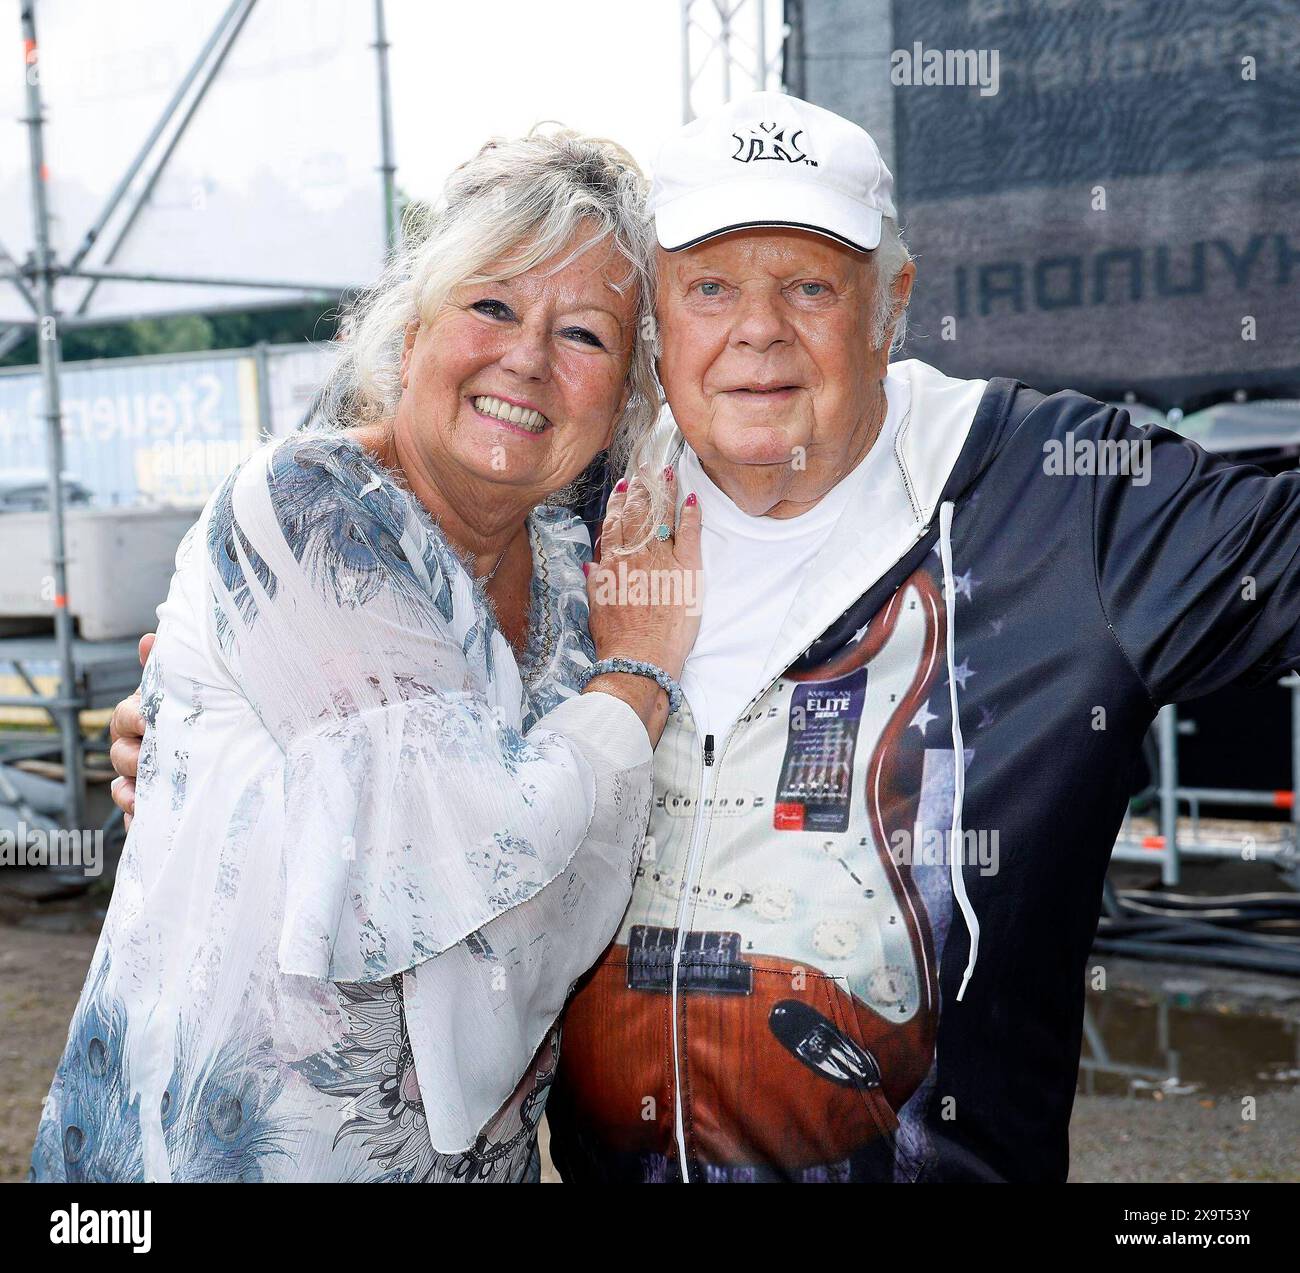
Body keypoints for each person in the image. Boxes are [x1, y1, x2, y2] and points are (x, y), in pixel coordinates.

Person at [110, 91, 1300, 1184]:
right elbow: (373, 733)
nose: (758, 334)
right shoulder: (575, 512)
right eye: (710, 289)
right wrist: (204, 747)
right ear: (655, 323)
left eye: (811, 287)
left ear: (890, 304)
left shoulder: (1059, 500)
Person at [31, 127, 700, 1184]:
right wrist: (640, 678)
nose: (526, 357)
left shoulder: (587, 574)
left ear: (622, 402)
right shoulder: (304, 506)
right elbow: (457, 865)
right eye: (489, 305)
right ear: (408, 337)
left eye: (583, 333)